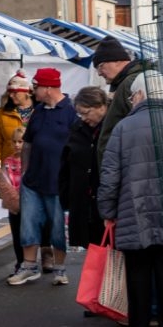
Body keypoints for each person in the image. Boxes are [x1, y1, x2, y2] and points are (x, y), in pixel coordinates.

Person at [96, 73, 163, 327]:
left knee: (137, 271)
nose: (131, 101)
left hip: (133, 210)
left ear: (139, 94)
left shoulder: (123, 128)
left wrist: (107, 210)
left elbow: (110, 174)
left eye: (131, 97)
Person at [8, 67, 75, 287]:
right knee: (27, 224)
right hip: (33, 180)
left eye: (36, 87)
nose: (33, 91)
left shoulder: (70, 111)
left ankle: (60, 268)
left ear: (47, 88)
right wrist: (25, 172)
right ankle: (28, 266)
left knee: (57, 227)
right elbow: (27, 142)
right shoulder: (38, 111)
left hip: (58, 181)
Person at [0, 71, 51, 273]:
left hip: (37, 169)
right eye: (10, 92)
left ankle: (46, 249)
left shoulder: (41, 111)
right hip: (12, 170)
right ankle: (21, 260)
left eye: (16, 92)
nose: (12, 96)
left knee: (42, 213)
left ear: (27, 93)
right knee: (16, 215)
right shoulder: (2, 113)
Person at [59, 86, 108, 251]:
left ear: (102, 106)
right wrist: (66, 196)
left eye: (86, 112)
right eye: (80, 114)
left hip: (105, 203)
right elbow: (65, 165)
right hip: (82, 203)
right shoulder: (77, 129)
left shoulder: (112, 128)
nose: (84, 118)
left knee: (108, 250)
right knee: (92, 250)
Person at [91, 36, 150, 165]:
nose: (99, 73)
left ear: (117, 61)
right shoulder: (124, 83)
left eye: (101, 66)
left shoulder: (131, 83)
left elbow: (141, 130)